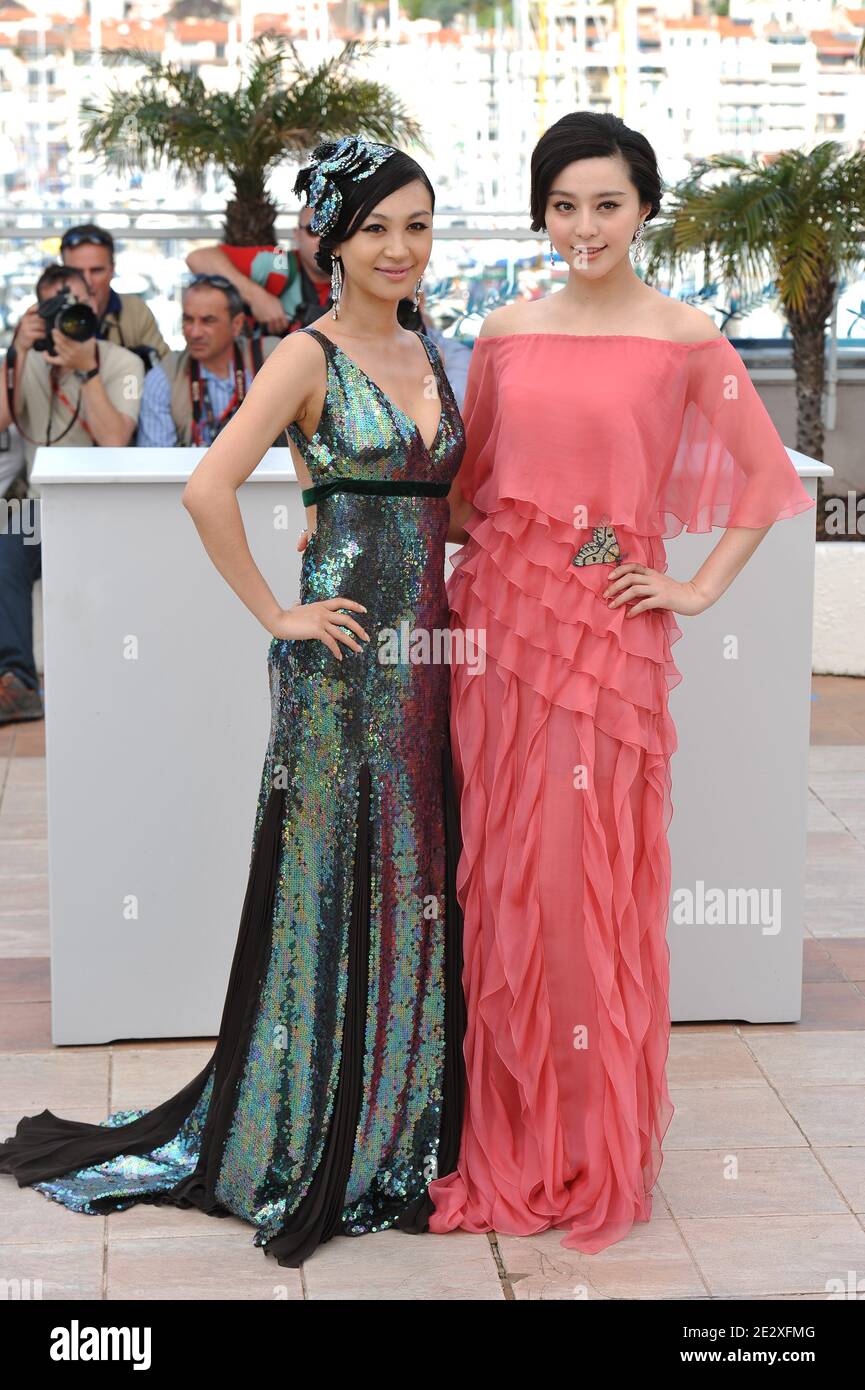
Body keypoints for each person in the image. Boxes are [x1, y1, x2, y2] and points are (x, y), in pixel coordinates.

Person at [0, 135, 469, 1268]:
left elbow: (437, 503)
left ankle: (404, 1125)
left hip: (426, 660)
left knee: (415, 881)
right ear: (330, 241)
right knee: (328, 885)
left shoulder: (429, 350)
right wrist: (281, 613)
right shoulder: (305, 356)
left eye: (416, 225)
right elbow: (209, 488)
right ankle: (314, 1127)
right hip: (338, 670)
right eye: (375, 230)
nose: (399, 249)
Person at [425, 111, 816, 1254]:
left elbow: (763, 483)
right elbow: (472, 492)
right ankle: (513, 1142)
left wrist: (681, 586)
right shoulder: (501, 329)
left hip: (608, 646)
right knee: (502, 885)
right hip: (498, 636)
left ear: (644, 207)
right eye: (563, 205)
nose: (583, 226)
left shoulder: (685, 337)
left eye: (604, 203)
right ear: (541, 214)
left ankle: (592, 1149)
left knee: (584, 891)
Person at [0, 265, 145, 726]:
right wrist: (18, 351)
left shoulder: (124, 364)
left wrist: (87, 373)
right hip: (38, 507)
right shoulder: (22, 360)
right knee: (5, 541)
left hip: (99, 508)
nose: (68, 319)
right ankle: (18, 682)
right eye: (53, 309)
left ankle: (112, 680)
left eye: (77, 306)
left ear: (95, 306)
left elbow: (115, 440)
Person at [136, 275, 282, 447]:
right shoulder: (162, 378)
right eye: (188, 319)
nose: (195, 332)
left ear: (236, 324)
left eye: (208, 321)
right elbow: (157, 466)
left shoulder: (274, 358)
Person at [185, 203, 332, 336]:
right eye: (313, 229)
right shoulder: (279, 261)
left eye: (331, 229)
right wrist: (256, 297)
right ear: (297, 234)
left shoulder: (353, 276)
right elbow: (197, 258)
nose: (322, 239)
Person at [59, 223, 170, 371]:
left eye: (96, 271)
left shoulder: (135, 311)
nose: (87, 281)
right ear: (61, 274)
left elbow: (166, 373)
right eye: (77, 272)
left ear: (112, 270)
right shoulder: (44, 315)